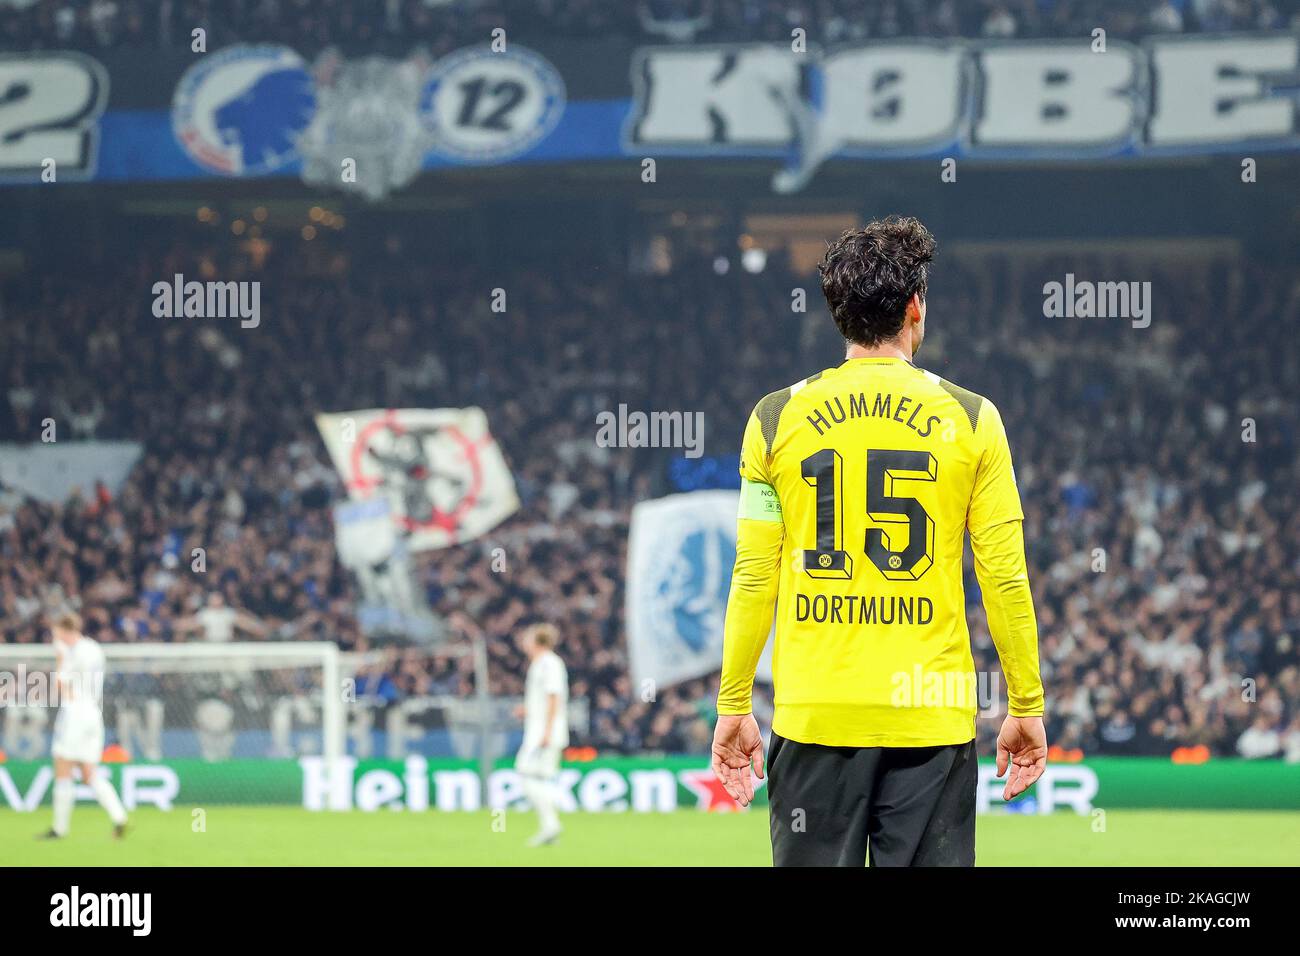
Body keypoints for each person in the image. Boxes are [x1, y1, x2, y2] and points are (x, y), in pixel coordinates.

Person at [711, 216, 1047, 866]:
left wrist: (733, 703)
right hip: (930, 715)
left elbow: (755, 575)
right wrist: (1025, 701)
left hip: (816, 714)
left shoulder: (774, 418)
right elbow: (1004, 576)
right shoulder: (975, 419)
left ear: (839, 312)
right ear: (916, 306)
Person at [38, 610, 129, 840]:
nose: (55, 639)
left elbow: (61, 685)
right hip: (93, 714)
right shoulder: (94, 649)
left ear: (64, 631)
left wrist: (60, 659)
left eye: (56, 633)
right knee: (89, 773)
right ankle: (119, 817)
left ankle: (59, 828)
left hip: (75, 714)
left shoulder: (73, 653)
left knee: (63, 766)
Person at [514, 623, 569, 847]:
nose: (524, 643)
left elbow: (554, 696)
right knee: (537, 776)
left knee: (526, 772)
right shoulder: (540, 663)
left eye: (527, 638)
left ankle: (551, 823)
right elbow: (545, 699)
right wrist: (527, 709)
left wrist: (547, 730)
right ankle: (550, 825)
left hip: (543, 732)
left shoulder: (549, 663)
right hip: (540, 728)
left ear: (537, 641)